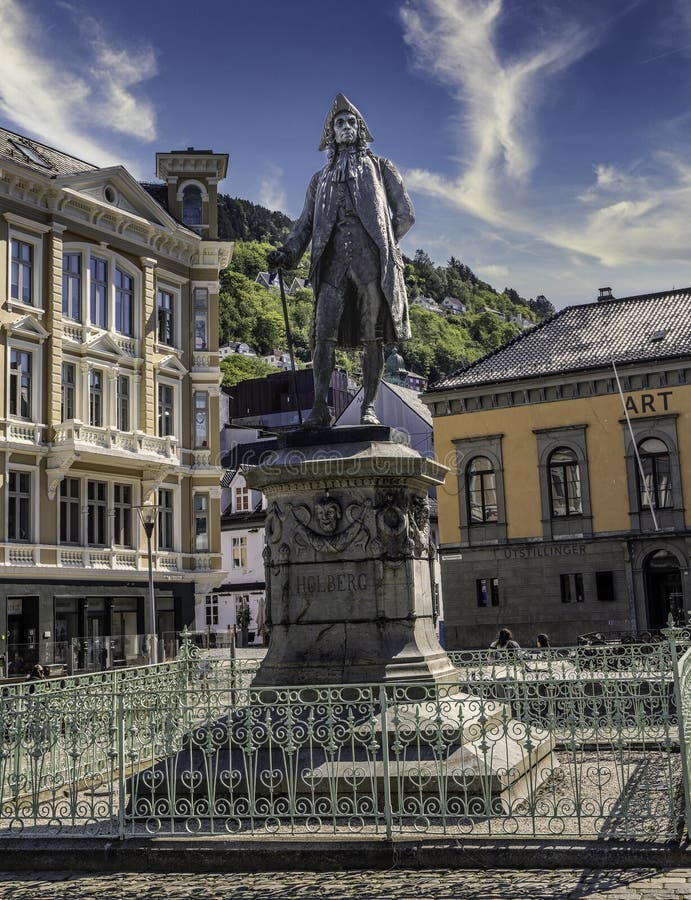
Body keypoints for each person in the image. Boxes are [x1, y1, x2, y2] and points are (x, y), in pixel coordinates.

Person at [268, 93, 415, 427]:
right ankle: (320, 408)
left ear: (360, 129)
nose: (346, 126)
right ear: (330, 132)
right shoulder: (319, 180)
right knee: (322, 335)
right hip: (331, 267)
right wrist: (287, 252)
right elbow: (305, 225)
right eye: (339, 123)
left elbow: (405, 214)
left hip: (371, 268)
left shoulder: (382, 168)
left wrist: (386, 245)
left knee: (373, 336)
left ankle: (368, 407)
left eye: (351, 122)